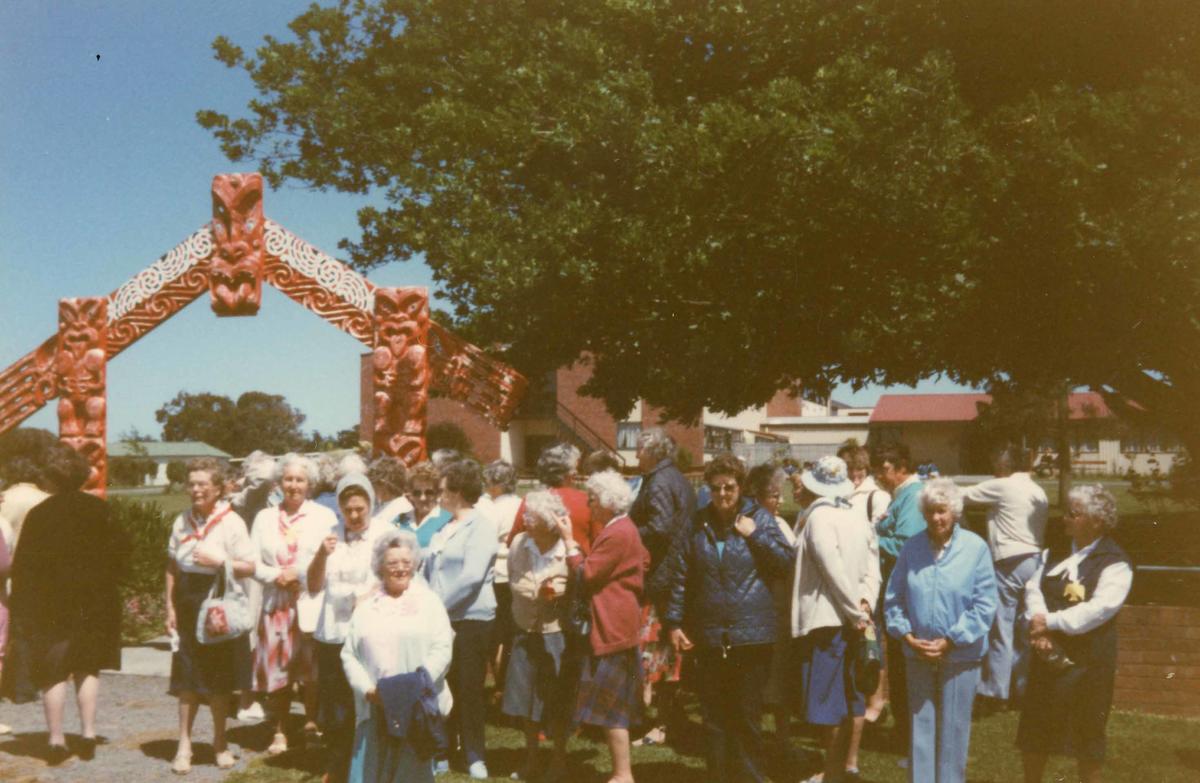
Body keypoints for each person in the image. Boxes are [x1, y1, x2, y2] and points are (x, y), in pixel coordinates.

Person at [663, 453, 793, 783]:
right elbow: (680, 575)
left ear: (741, 487)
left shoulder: (760, 519)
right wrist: (675, 623)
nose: (722, 495)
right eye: (716, 488)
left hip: (751, 635)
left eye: (730, 488)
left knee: (747, 717)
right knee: (714, 718)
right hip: (709, 634)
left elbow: (786, 563)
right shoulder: (696, 522)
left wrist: (755, 536)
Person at [7, 446, 126, 765]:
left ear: (52, 478)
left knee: (54, 671)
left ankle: (56, 739)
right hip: (94, 601)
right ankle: (88, 734)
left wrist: (21, 604)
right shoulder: (99, 509)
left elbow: (25, 566)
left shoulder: (40, 514)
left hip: (50, 605)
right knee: (88, 666)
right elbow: (121, 554)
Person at [884, 479, 997, 783]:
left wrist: (951, 640)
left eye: (942, 511)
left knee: (953, 730)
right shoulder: (912, 547)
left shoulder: (975, 548)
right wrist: (906, 635)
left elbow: (985, 604)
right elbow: (894, 597)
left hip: (960, 655)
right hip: (917, 652)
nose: (936, 518)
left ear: (954, 512)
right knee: (920, 728)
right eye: (931, 512)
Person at [1018, 484, 1133, 783]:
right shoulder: (1053, 549)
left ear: (1096, 521)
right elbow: (1033, 588)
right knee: (1035, 731)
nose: (1064, 518)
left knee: (1088, 737)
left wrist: (1050, 622)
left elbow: (1098, 610)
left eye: (1073, 513)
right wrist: (1038, 626)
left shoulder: (1115, 562)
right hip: (1047, 655)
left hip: (1088, 665)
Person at [164, 457, 258, 774]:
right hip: (188, 603)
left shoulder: (232, 522)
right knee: (187, 679)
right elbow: (172, 567)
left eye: (203, 483)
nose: (196, 489)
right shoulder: (181, 521)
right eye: (192, 483)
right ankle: (184, 745)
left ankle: (220, 743)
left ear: (218, 488)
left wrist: (221, 561)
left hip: (219, 604)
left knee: (219, 679)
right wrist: (170, 607)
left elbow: (250, 566)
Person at [789, 456, 879, 783]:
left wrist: (855, 611)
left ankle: (832, 774)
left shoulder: (818, 518)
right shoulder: (856, 516)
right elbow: (873, 564)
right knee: (852, 698)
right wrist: (866, 602)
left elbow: (832, 568)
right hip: (855, 619)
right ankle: (843, 769)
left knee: (827, 704)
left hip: (827, 620)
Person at [341, 530, 453, 783]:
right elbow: (349, 654)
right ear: (380, 566)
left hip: (415, 708)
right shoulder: (366, 607)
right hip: (375, 706)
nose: (400, 568)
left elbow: (442, 648)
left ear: (414, 564)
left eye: (406, 562)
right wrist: (368, 691)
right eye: (392, 563)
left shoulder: (429, 603)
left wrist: (415, 686)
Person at [559, 469, 648, 783]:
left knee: (613, 708)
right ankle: (621, 773)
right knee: (614, 706)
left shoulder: (617, 532)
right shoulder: (622, 528)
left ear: (609, 502)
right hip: (619, 621)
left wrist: (570, 543)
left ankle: (623, 775)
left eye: (593, 499)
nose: (589, 505)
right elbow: (643, 561)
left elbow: (586, 575)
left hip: (612, 626)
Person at [250, 453, 338, 755]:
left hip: (309, 603)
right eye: (288, 479)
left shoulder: (324, 516)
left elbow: (330, 559)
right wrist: (277, 576)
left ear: (309, 484)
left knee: (311, 670)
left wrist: (297, 573)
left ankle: (311, 723)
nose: (294, 485)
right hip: (276, 603)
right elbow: (252, 563)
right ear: (279, 482)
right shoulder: (264, 518)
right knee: (279, 671)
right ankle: (280, 729)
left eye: (300, 479)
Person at [307, 473, 385, 783]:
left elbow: (396, 577)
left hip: (369, 630)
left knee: (368, 698)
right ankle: (337, 765)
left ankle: (369, 764)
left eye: (359, 509)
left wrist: (367, 596)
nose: (353, 516)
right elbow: (313, 586)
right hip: (334, 631)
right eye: (347, 509)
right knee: (336, 702)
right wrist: (320, 555)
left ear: (370, 505)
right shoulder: (329, 536)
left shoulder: (384, 535)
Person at [423, 459, 498, 779]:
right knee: (439, 686)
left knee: (468, 690)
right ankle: (441, 750)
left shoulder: (481, 526)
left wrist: (436, 607)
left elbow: (471, 578)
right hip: (441, 620)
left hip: (470, 620)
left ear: (458, 491)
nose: (437, 496)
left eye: (441, 490)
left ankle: (473, 755)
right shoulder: (443, 526)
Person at [963, 444, 1049, 709]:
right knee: (1024, 629)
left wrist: (930, 482)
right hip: (1034, 559)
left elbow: (959, 495)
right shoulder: (1038, 490)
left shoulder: (1003, 486)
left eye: (995, 462)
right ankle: (1021, 689)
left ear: (1004, 464)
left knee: (1001, 626)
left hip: (1009, 560)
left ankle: (996, 691)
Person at [627, 427, 696, 746]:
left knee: (661, 655)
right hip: (677, 574)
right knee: (669, 655)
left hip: (663, 578)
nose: (636, 455)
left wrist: (625, 531)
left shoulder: (658, 481)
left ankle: (663, 724)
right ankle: (668, 720)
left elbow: (659, 526)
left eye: (639, 449)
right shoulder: (676, 477)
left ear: (653, 452)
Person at [502, 490, 571, 782]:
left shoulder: (567, 548)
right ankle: (531, 758)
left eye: (533, 516)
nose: (526, 520)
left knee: (555, 700)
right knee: (524, 698)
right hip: (524, 628)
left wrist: (558, 592)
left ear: (549, 522)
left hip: (555, 632)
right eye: (527, 514)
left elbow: (574, 586)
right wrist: (538, 590)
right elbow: (514, 581)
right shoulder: (519, 544)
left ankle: (558, 759)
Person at [837, 444, 889, 764]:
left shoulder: (875, 496)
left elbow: (879, 535)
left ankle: (876, 700)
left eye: (853, 469)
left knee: (873, 638)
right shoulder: (845, 495)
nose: (851, 475)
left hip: (870, 573)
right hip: (849, 574)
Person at [872, 442, 925, 757]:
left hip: (907, 591)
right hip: (897, 589)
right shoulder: (902, 495)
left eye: (885, 468)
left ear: (902, 467)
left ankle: (909, 734)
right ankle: (905, 730)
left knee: (906, 664)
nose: (879, 474)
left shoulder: (913, 496)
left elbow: (905, 543)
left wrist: (870, 536)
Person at [744, 463, 800, 756]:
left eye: (780, 495)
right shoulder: (754, 523)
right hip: (769, 607)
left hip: (783, 608)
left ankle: (783, 739)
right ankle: (770, 743)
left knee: (782, 679)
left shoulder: (779, 522)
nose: (779, 501)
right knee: (768, 681)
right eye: (773, 495)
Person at [476, 460, 522, 694]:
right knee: (510, 631)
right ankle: (506, 684)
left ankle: (500, 684)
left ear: (496, 484)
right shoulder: (520, 503)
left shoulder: (492, 508)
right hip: (516, 571)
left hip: (497, 572)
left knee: (497, 633)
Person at [508, 443, 593, 553]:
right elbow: (599, 542)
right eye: (577, 469)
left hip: (540, 566)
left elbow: (513, 542)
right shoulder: (587, 501)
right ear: (571, 474)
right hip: (578, 565)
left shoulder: (531, 501)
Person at [395, 461, 452, 549]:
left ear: (437, 494)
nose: (423, 498)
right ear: (410, 494)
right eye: (417, 493)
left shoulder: (447, 520)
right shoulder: (400, 520)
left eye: (429, 493)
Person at [368, 456, 412, 528]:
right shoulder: (380, 505)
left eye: (373, 484)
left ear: (383, 484)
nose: (371, 488)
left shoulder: (403, 510)